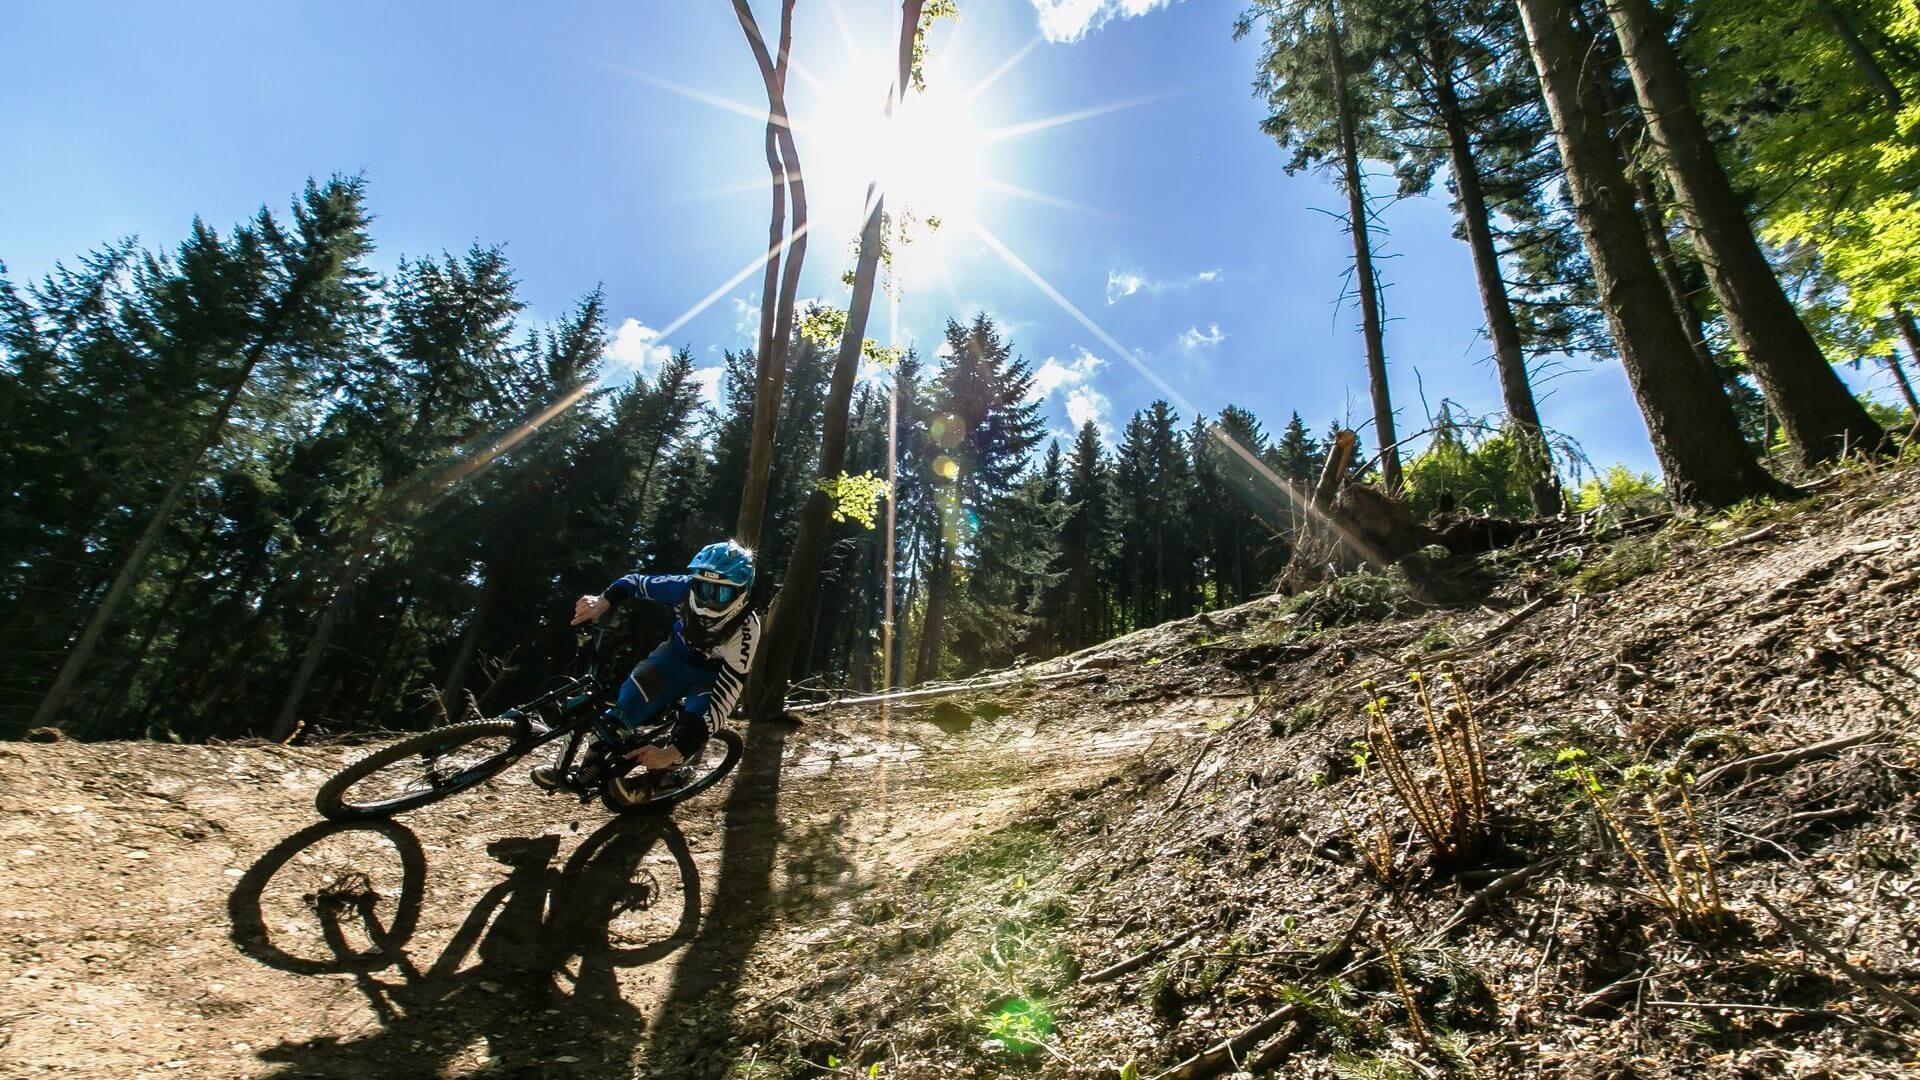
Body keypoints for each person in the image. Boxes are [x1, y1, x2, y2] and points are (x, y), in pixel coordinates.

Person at [531, 540, 758, 799]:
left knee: (694, 724)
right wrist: (602, 601)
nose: (707, 600)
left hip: (712, 679)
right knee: (622, 713)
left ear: (742, 593)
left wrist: (673, 752)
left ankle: (665, 777)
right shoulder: (684, 587)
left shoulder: (747, 633)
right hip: (675, 657)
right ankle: (581, 770)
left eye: (720, 593)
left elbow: (723, 702)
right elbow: (634, 583)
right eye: (703, 588)